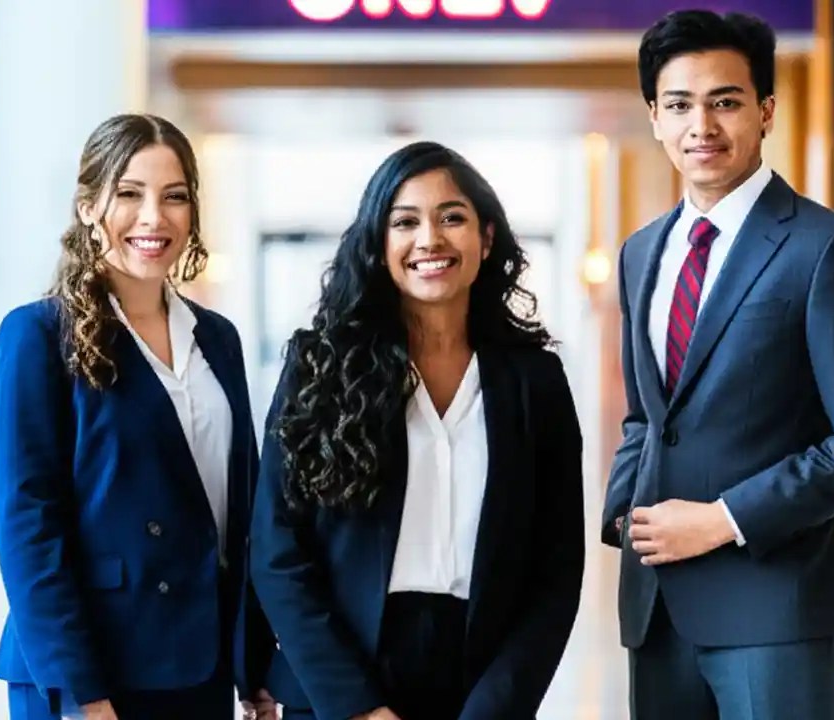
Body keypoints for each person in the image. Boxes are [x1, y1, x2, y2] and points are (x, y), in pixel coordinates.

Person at [601, 10, 834, 720]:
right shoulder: (642, 253)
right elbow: (648, 415)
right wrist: (625, 507)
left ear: (766, 111)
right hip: (657, 607)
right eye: (679, 104)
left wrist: (723, 519)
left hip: (774, 611)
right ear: (654, 116)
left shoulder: (825, 249)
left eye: (725, 101)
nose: (700, 125)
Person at [249, 141, 585, 720]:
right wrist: (358, 708)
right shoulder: (319, 368)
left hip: (478, 685)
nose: (429, 239)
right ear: (379, 247)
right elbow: (277, 552)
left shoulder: (537, 382)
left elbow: (555, 571)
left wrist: (495, 708)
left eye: (451, 217)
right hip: (340, 684)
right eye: (404, 222)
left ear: (485, 238)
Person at [0, 113, 276, 720]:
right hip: (91, 672)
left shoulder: (217, 338)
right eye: (129, 194)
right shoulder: (36, 337)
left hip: (198, 665)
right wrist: (82, 695)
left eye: (174, 197)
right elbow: (29, 531)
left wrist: (254, 664)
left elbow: (236, 516)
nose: (154, 218)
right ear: (89, 206)